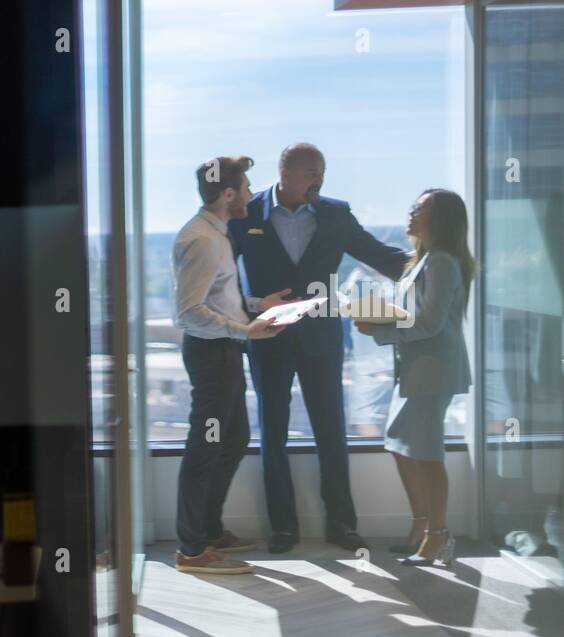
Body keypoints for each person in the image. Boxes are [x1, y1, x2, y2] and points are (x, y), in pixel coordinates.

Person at [230, 143, 410, 553]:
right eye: (311, 171)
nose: (319, 178)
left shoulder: (335, 213)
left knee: (331, 430)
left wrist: (430, 259)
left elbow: (378, 254)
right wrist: (245, 311)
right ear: (284, 172)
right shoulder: (247, 213)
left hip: (321, 337)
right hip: (267, 336)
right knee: (272, 434)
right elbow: (224, 275)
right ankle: (283, 527)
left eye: (322, 171)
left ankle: (342, 524)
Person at [172, 157, 288, 574]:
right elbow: (188, 312)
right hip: (211, 356)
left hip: (223, 352)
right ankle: (191, 549)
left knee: (234, 438)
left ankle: (207, 529)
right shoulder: (202, 240)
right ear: (228, 194)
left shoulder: (218, 235)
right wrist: (248, 332)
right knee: (205, 448)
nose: (252, 193)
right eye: (246, 186)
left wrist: (258, 306)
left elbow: (218, 299)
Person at [355, 189, 473, 566]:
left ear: (439, 220)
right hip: (416, 369)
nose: (410, 214)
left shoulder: (441, 263)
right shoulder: (422, 261)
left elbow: (430, 323)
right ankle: (424, 526)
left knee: (425, 453)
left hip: (431, 371)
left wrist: (381, 330)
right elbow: (415, 314)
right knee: (400, 444)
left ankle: (437, 535)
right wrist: (381, 316)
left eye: (419, 210)